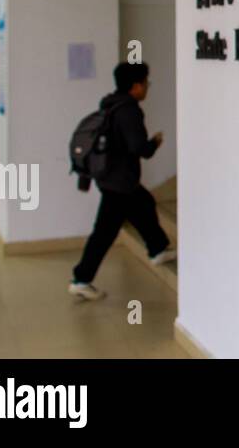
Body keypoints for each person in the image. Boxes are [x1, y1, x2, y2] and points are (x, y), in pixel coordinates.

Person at [69, 62, 175, 300]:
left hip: (111, 178)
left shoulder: (111, 105)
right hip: (120, 182)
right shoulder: (130, 111)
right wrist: (154, 143)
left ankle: (157, 248)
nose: (148, 87)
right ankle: (82, 279)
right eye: (146, 83)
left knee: (144, 203)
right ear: (136, 86)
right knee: (105, 233)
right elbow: (139, 148)